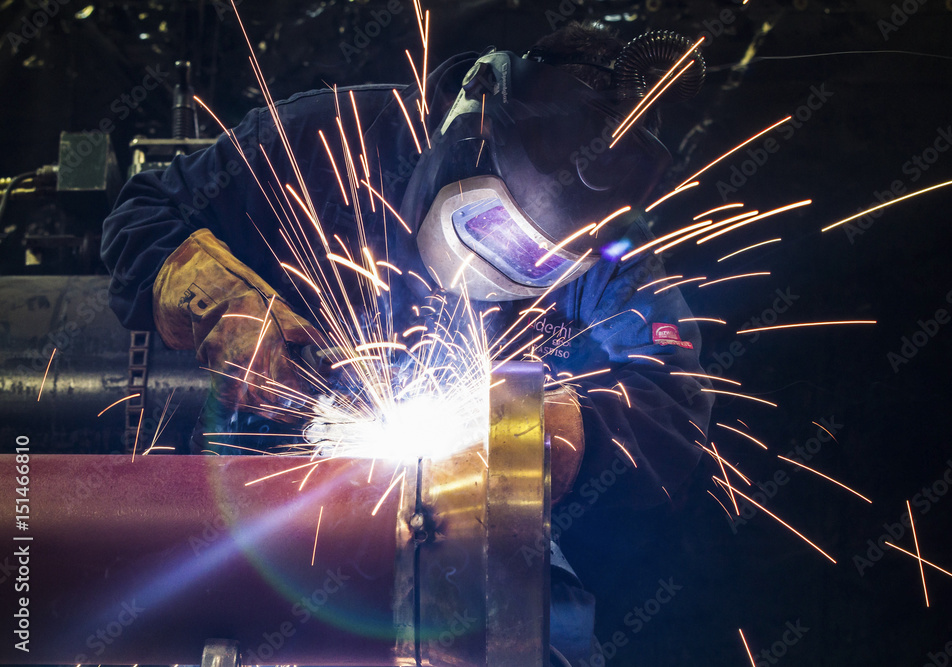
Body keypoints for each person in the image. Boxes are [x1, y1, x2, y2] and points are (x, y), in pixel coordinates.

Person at [102, 21, 713, 665]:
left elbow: (673, 409)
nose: (496, 266)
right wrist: (223, 304)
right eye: (491, 225)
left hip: (473, 543)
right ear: (470, 130)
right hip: (266, 503)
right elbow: (143, 215)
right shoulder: (329, 140)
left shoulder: (613, 255)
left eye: (538, 260)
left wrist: (549, 431)